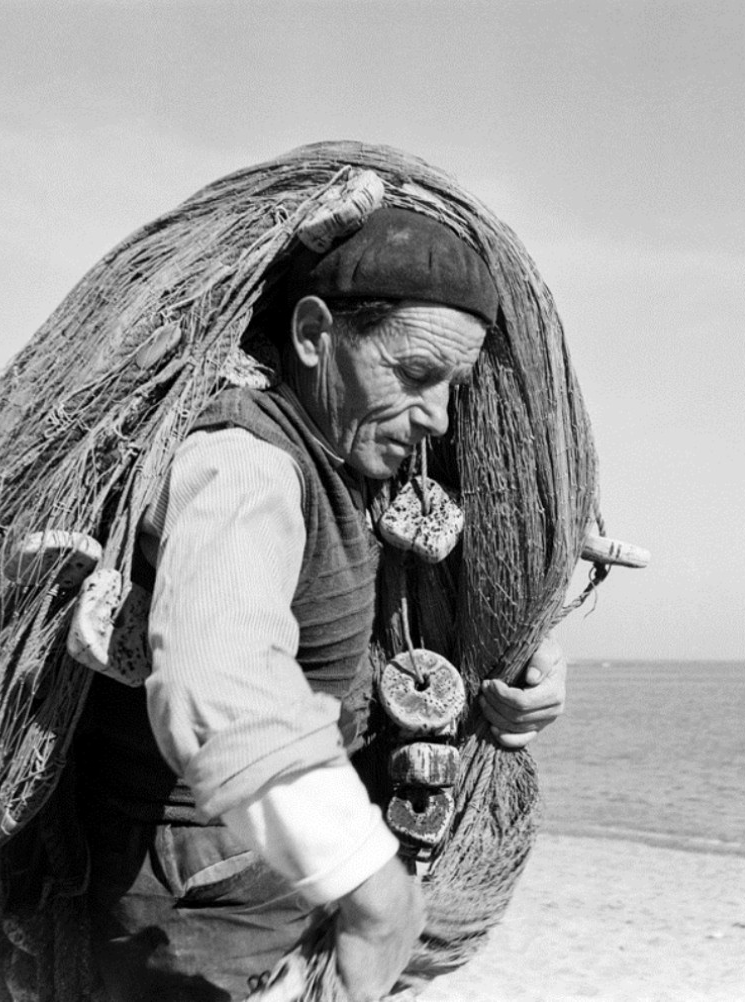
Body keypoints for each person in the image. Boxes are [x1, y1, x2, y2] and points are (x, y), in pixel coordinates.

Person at [77, 208, 567, 1002]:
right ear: (313, 335)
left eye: (452, 387)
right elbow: (216, 681)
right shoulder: (244, 463)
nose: (439, 415)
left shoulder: (349, 464)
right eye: (413, 374)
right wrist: (371, 886)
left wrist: (521, 682)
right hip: (199, 916)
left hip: (277, 896)